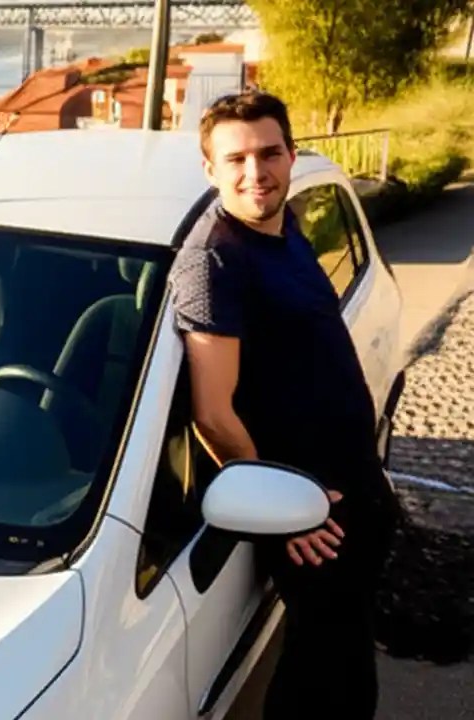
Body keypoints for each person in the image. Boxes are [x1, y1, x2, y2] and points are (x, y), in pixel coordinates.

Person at [168, 91, 402, 719]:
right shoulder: (214, 262)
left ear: (292, 155)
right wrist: (282, 511)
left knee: (343, 661)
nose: (256, 172)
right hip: (304, 513)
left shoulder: (283, 225)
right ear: (210, 168)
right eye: (236, 159)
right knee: (321, 684)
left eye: (269, 153)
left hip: (349, 486)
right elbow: (213, 413)